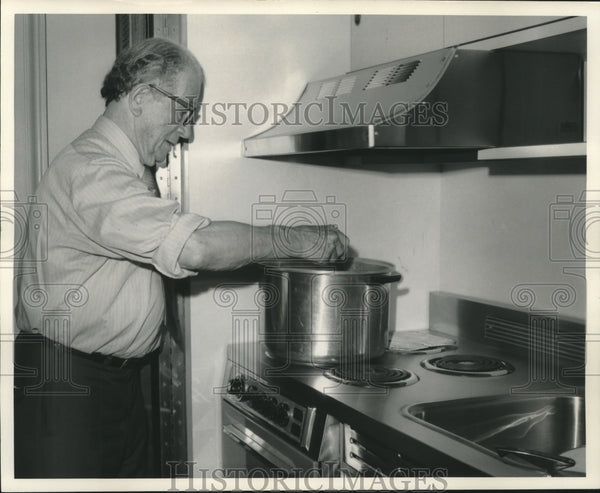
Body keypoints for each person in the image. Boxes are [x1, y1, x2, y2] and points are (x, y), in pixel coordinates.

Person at [13, 37, 347, 478]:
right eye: (184, 112)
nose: (187, 131)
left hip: (115, 383)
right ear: (142, 97)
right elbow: (196, 246)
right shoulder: (93, 171)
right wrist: (297, 240)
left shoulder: (126, 170)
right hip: (69, 388)